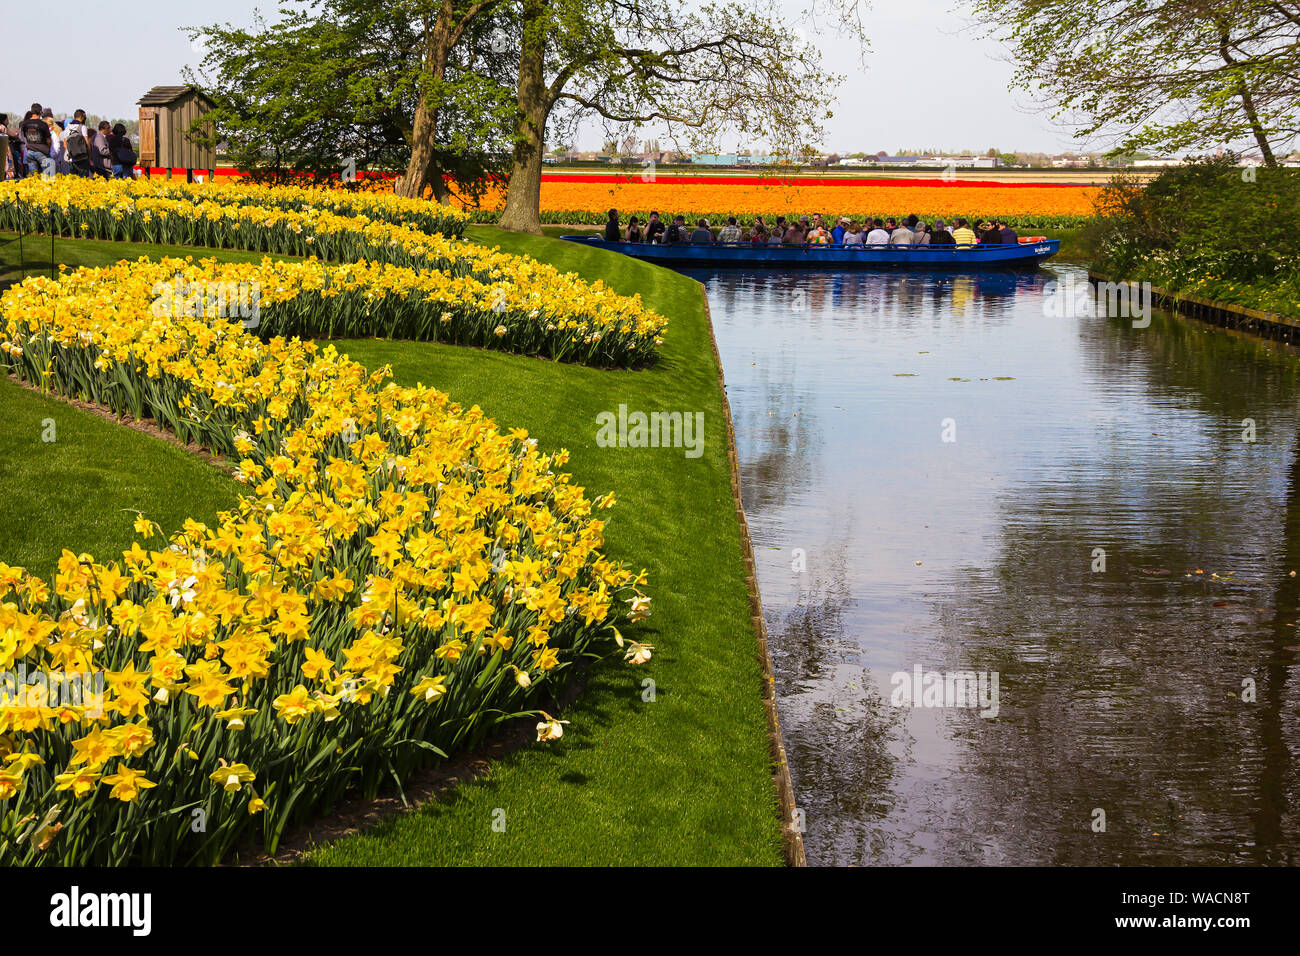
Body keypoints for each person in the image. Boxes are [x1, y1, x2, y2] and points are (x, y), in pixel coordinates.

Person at [20, 105, 54, 178]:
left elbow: (25, 137)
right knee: (48, 176)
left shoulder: (25, 124)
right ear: (40, 112)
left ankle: (34, 188)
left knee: (33, 176)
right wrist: (47, 149)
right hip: (42, 152)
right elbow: (48, 139)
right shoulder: (43, 124)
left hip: (29, 152)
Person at [61, 110, 93, 177]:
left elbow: (64, 145)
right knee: (84, 180)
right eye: (85, 117)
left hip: (71, 159)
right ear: (81, 117)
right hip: (82, 158)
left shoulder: (67, 128)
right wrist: (89, 157)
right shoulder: (82, 127)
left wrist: (73, 152)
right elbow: (87, 144)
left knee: (73, 181)